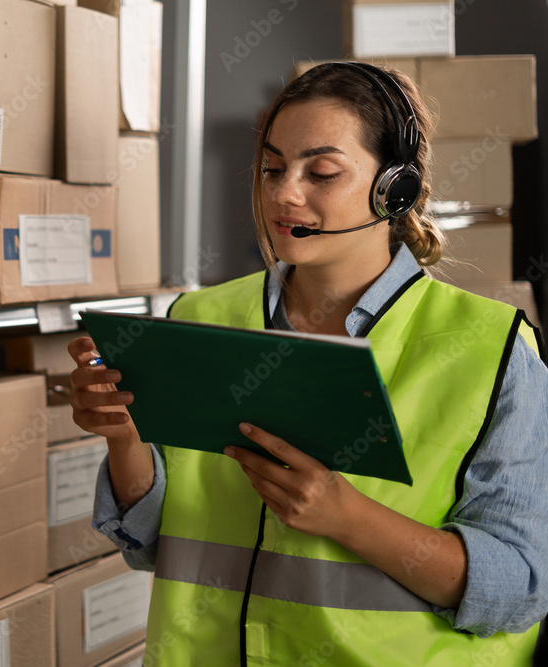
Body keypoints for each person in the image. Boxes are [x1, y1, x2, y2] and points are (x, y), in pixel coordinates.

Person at [69, 62, 548, 665]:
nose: (283, 192)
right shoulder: (198, 317)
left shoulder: (492, 348)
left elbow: (520, 587)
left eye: (320, 171)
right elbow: (153, 541)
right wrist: (124, 437)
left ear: (393, 189)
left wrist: (348, 518)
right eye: (272, 168)